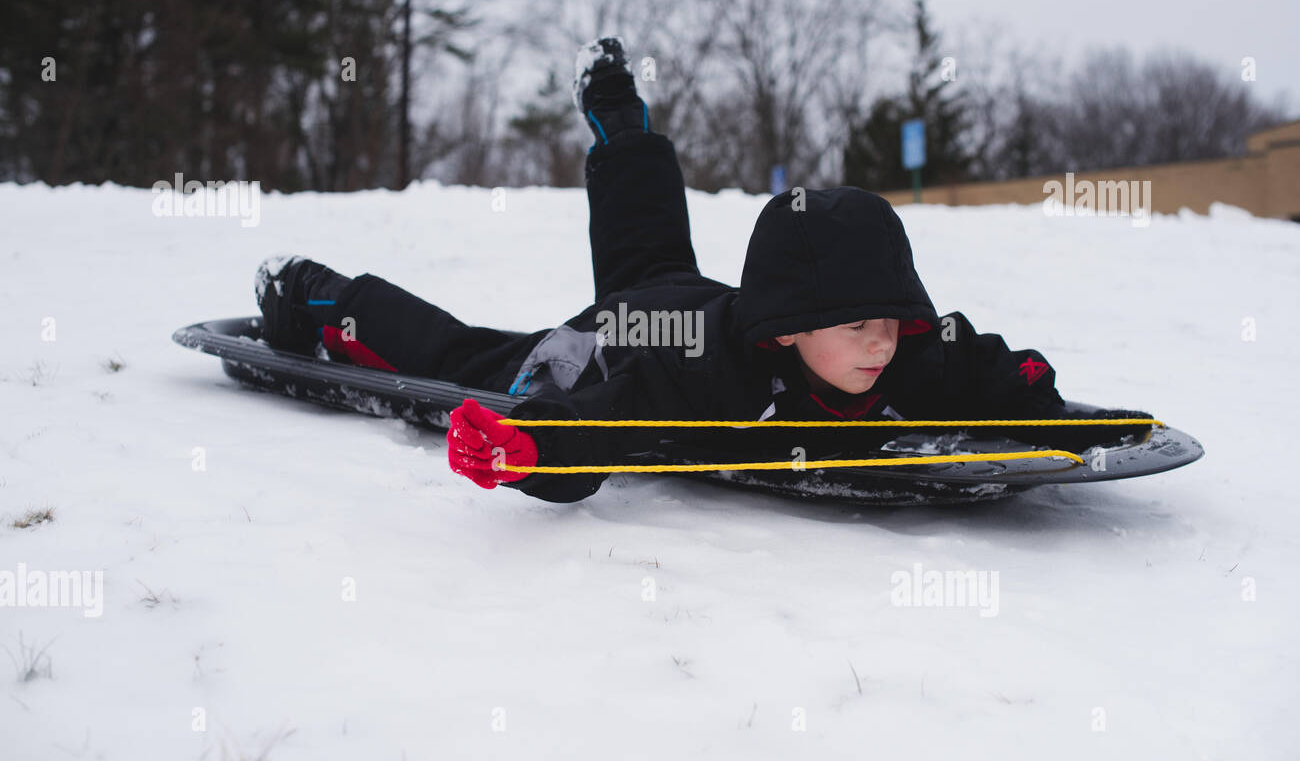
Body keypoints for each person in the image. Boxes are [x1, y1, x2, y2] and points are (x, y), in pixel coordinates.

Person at [254, 37, 1149, 504]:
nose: (883, 342)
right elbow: (606, 417)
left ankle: (622, 121)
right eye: (861, 326)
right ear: (793, 329)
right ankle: (313, 293)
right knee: (467, 357)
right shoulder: (705, 373)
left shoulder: (892, 344)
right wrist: (536, 446)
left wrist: (1040, 394)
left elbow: (968, 360)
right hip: (635, 342)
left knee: (652, 254)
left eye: (892, 321)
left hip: (699, 300)